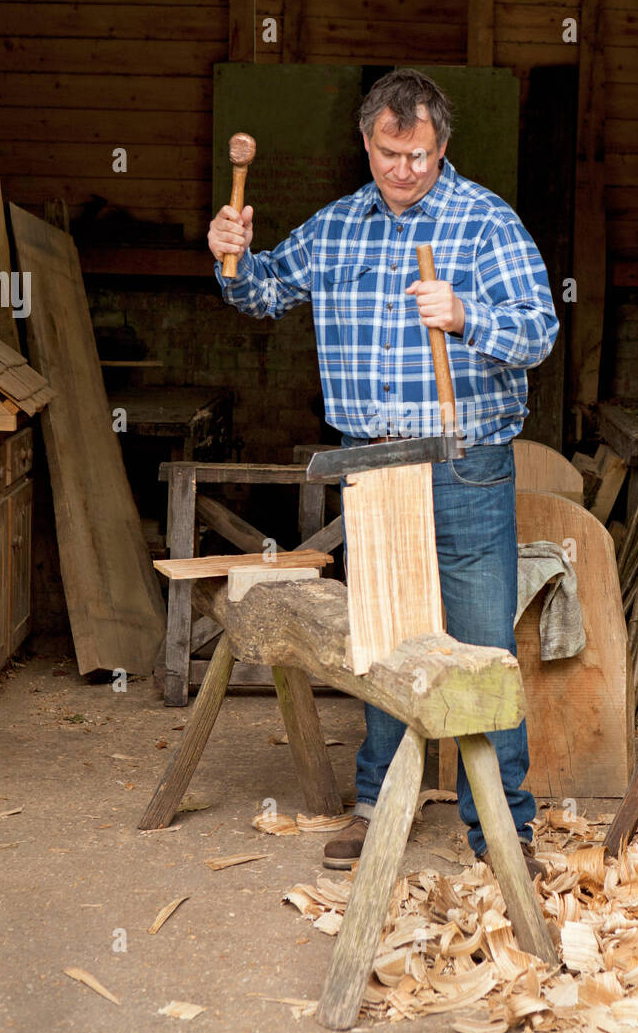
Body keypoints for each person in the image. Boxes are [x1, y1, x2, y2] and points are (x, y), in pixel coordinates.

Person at [207, 68, 559, 877]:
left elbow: (538, 332)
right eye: (391, 152)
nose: (406, 169)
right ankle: (379, 808)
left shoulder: (484, 223)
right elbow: (260, 295)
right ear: (367, 142)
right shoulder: (335, 229)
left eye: (422, 154)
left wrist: (466, 316)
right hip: (372, 467)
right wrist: (231, 256)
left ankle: (503, 832)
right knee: (385, 643)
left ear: (444, 147)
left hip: (465, 462)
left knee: (480, 650)